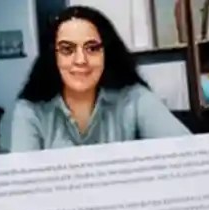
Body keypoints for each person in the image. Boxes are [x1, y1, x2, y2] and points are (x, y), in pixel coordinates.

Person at [10, 5, 190, 152]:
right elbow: (23, 186)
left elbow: (188, 153)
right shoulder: (29, 110)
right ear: (53, 56)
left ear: (107, 54)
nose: (80, 60)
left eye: (92, 48)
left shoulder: (134, 98)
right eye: (67, 49)